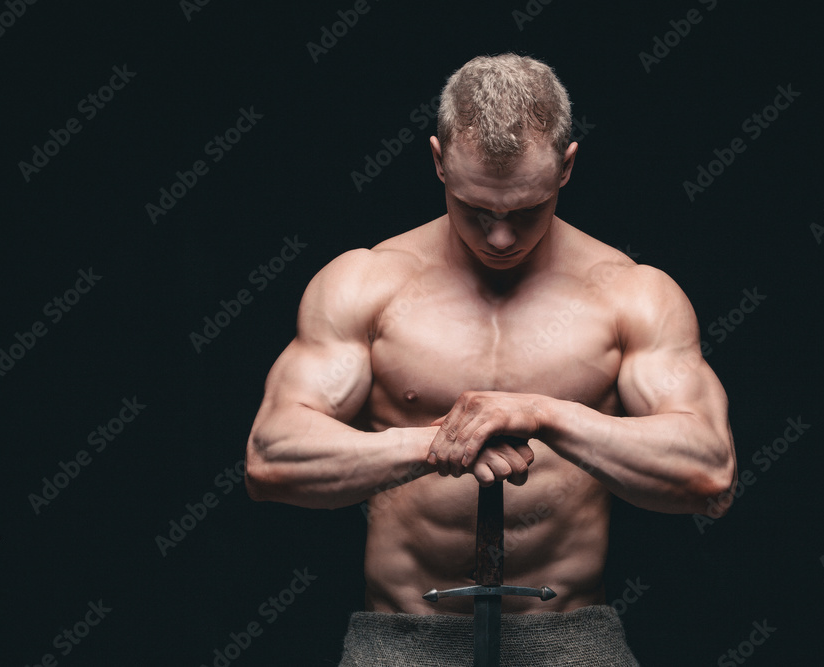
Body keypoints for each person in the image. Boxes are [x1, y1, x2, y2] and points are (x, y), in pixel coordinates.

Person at [245, 53, 737, 666]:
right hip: (402, 638)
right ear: (437, 162)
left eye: (524, 211)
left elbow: (709, 471)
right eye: (477, 209)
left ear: (566, 167)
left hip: (567, 637)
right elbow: (270, 458)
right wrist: (433, 444)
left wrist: (544, 413)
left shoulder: (631, 296)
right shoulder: (365, 285)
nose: (500, 237)